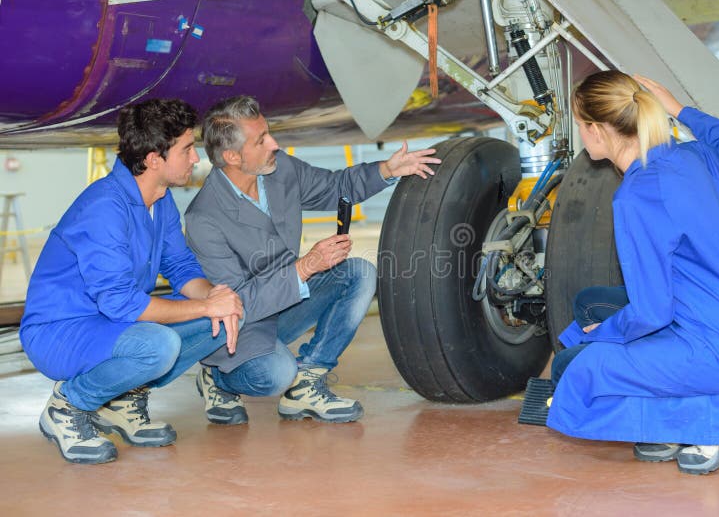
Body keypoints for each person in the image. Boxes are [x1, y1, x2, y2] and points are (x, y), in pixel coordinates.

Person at [545, 71, 719, 475]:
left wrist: (604, 336)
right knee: (589, 306)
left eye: (579, 125)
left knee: (570, 371)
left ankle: (707, 418)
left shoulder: (637, 197)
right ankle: (670, 418)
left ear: (596, 131)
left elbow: (652, 311)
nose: (580, 134)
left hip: (712, 351)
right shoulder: (694, 157)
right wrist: (679, 110)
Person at [184, 95, 440, 424]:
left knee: (358, 273)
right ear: (232, 156)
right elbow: (238, 303)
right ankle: (217, 378)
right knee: (275, 374)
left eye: (269, 132)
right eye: (262, 140)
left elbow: (337, 186)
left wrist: (387, 170)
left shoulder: (281, 170)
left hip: (288, 302)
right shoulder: (204, 218)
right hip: (243, 326)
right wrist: (306, 267)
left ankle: (306, 383)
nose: (274, 144)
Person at [20, 99, 243, 465]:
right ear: (155, 158)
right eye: (187, 149)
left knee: (222, 317)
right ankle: (69, 406)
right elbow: (122, 303)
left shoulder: (160, 198)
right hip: (59, 331)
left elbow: (181, 266)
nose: (195, 159)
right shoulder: (105, 207)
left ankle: (122, 398)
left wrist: (216, 297)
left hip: (108, 322)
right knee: (158, 345)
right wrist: (206, 304)